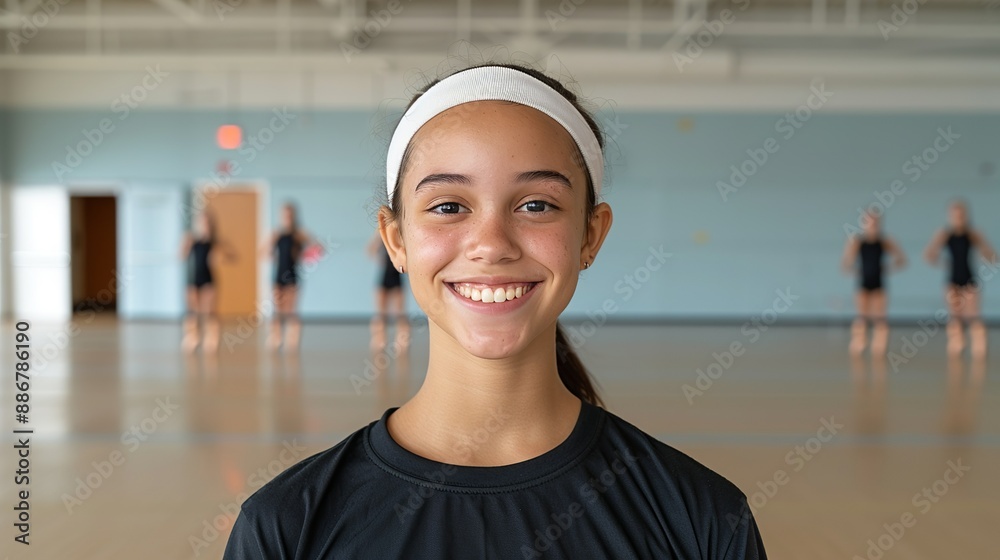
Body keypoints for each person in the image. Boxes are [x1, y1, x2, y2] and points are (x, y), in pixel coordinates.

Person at [223, 63, 766, 559]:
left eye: (536, 205)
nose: (491, 244)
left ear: (590, 234)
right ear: (396, 241)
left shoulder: (702, 519)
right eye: (448, 206)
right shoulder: (286, 527)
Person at [924, 200, 997, 358]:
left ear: (966, 216)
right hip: (952, 280)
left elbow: (990, 254)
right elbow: (929, 254)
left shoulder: (973, 234)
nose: (958, 218)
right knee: (954, 317)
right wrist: (941, 262)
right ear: (950, 216)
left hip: (970, 279)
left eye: (961, 215)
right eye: (955, 215)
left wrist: (986, 254)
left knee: (973, 315)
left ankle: (979, 348)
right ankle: (956, 346)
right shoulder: (945, 234)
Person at [841, 210, 907, 356]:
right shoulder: (857, 242)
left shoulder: (884, 241)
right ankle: (859, 342)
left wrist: (888, 268)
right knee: (861, 317)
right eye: (868, 222)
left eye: (875, 222)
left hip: (879, 283)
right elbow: (846, 264)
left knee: (880, 318)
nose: (872, 225)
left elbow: (901, 259)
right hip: (863, 283)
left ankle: (879, 347)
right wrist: (854, 269)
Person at [260, 202, 322, 352]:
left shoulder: (299, 235)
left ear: (294, 216)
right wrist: (270, 251)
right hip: (278, 276)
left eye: (289, 215)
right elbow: (262, 253)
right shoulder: (277, 234)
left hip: (293, 276)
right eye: (285, 215)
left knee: (291, 311)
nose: (287, 218)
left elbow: (319, 248)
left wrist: (305, 256)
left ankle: (292, 340)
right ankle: (276, 338)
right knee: (277, 310)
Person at [178, 210, 237, 354]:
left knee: (209, 311)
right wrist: (184, 244)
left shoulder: (215, 243)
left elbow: (233, 255)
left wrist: (221, 256)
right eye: (202, 223)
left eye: (207, 223)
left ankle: (212, 338)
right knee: (192, 312)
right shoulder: (192, 240)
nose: (205, 226)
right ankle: (192, 337)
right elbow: (181, 256)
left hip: (208, 279)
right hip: (193, 279)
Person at [366, 232, 409, 352]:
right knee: (380, 314)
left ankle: (402, 342)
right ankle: (379, 340)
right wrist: (378, 235)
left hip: (396, 277)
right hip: (384, 278)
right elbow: (370, 251)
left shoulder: (399, 239)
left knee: (400, 314)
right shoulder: (383, 237)